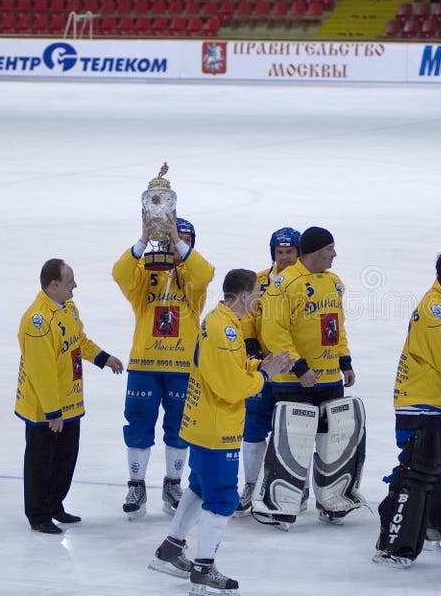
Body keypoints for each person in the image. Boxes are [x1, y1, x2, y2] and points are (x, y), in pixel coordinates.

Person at [147, 269, 292, 594]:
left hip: (203, 423)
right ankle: (203, 569)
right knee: (223, 494)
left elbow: (227, 367)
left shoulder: (221, 322)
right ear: (243, 296)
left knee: (199, 486)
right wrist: (265, 376)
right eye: (257, 294)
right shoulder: (225, 329)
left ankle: (171, 549)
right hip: (216, 428)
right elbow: (230, 386)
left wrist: (259, 365)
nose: (259, 300)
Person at [373, 250, 441, 568]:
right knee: (418, 468)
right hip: (421, 403)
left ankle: (439, 526)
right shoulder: (434, 307)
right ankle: (393, 542)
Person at [251, 226, 366, 530]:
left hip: (329, 378)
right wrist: (299, 367)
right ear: (315, 251)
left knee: (333, 439)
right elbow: (273, 331)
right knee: (293, 437)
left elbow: (336, 326)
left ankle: (331, 499)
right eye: (330, 249)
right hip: (293, 379)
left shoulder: (334, 283)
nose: (334, 254)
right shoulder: (284, 284)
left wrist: (345, 361)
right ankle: (279, 501)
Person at [113, 208, 215, 519]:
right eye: (171, 239)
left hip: (183, 367)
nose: (175, 244)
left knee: (179, 429)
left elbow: (205, 272)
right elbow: (119, 273)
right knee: (138, 426)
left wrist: (176, 240)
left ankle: (172, 484)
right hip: (145, 364)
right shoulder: (146, 275)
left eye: (183, 240)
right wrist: (145, 238)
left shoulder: (193, 282)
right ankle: (136, 484)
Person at [16, 259, 124, 534]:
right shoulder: (37, 321)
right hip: (47, 411)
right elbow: (41, 372)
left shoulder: (68, 308)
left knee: (66, 458)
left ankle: (55, 505)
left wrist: (103, 357)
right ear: (53, 285)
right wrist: (53, 412)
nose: (75, 286)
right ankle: (38, 515)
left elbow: (78, 341)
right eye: (69, 282)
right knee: (42, 462)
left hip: (70, 403)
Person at [234, 227, 301, 517]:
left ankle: (295, 486)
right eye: (280, 252)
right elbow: (247, 318)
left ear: (299, 253)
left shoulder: (304, 282)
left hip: (292, 372)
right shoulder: (260, 281)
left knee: (291, 432)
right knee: (253, 428)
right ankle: (250, 485)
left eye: (289, 252)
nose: (284, 257)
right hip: (262, 369)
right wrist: (253, 352)